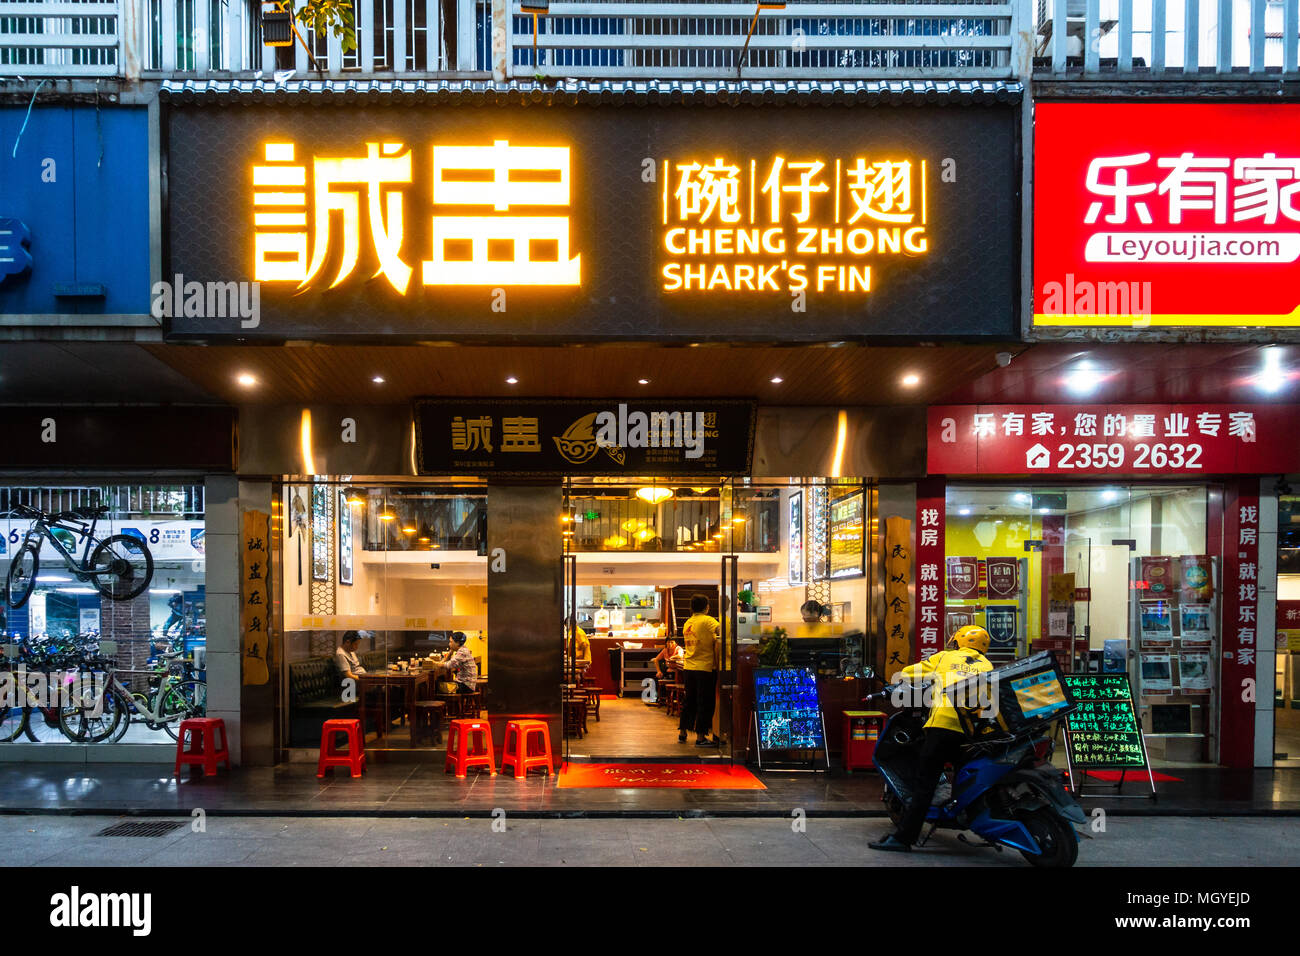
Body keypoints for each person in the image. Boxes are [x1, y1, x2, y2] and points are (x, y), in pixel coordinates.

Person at [869, 625, 994, 853]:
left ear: (957, 641)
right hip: (972, 732)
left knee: (924, 785)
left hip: (943, 727)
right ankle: (966, 815)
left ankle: (904, 838)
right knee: (966, 777)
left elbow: (908, 674)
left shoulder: (945, 657)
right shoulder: (987, 665)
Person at [677, 594, 721, 747]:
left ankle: (683, 732)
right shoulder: (708, 620)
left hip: (688, 667)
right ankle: (700, 737)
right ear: (707, 607)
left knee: (689, 701)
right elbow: (724, 631)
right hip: (704, 668)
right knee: (705, 703)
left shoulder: (688, 622)